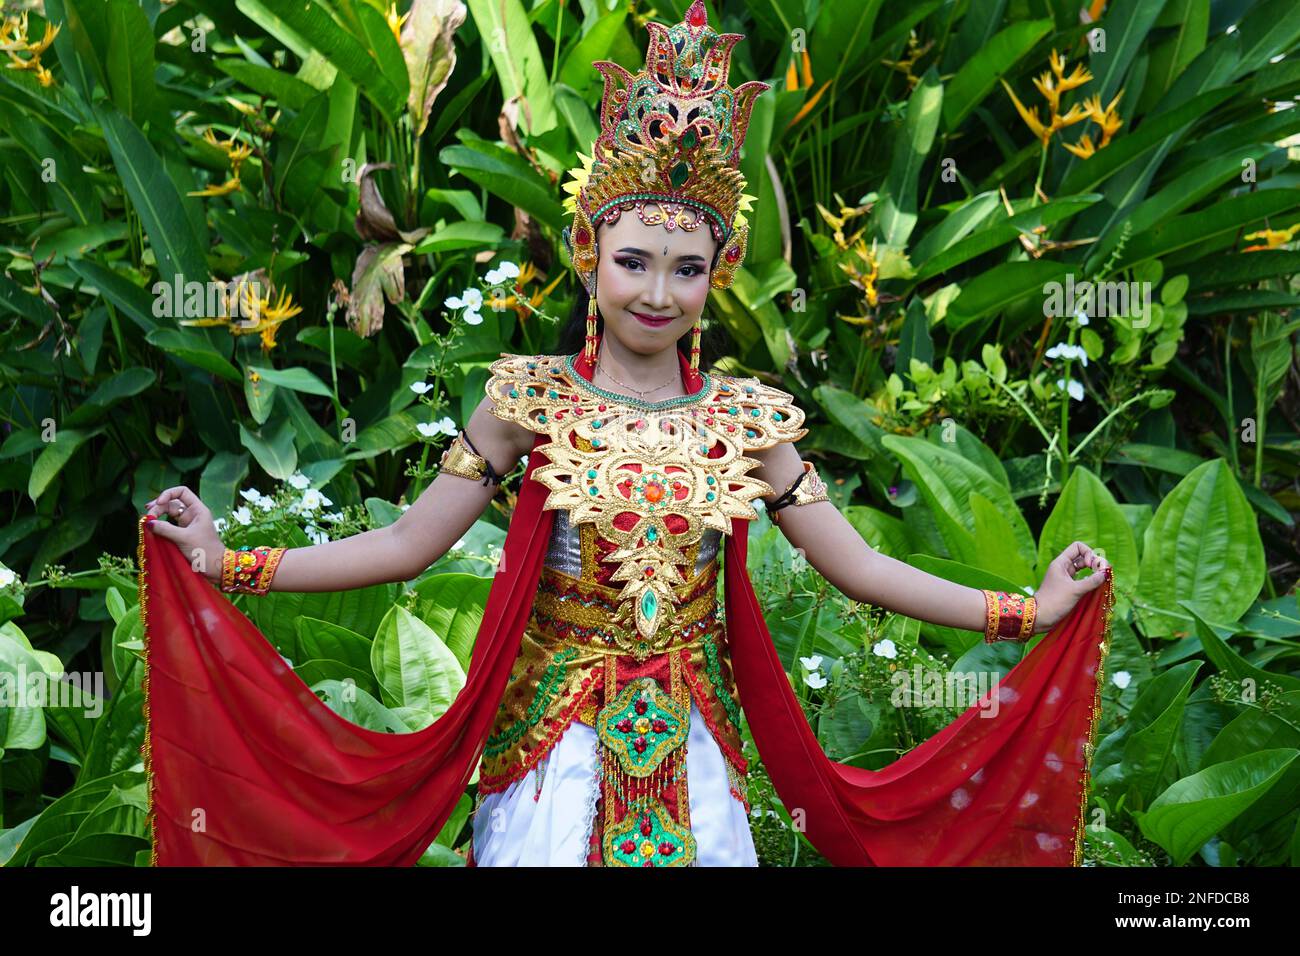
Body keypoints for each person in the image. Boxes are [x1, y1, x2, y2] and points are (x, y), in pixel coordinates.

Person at [137, 1, 1114, 867]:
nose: (656, 291)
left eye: (683, 268)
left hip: (693, 745)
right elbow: (407, 542)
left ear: (716, 271)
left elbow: (854, 567)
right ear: (587, 252)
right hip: (550, 749)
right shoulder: (528, 399)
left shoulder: (747, 418)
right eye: (634, 259)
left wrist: (1026, 612)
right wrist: (230, 562)